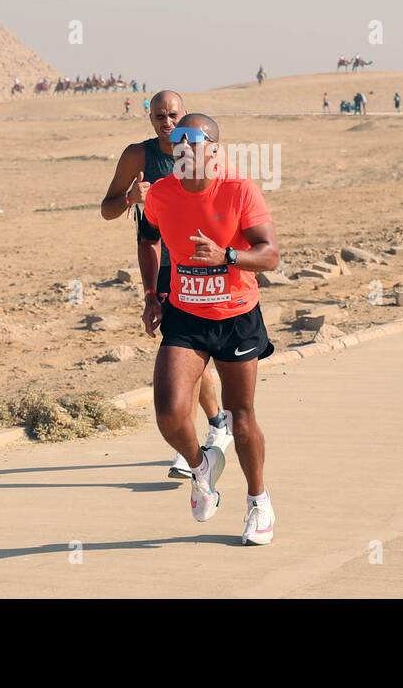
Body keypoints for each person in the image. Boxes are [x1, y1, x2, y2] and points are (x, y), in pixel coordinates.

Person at [138, 113, 279, 544]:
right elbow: (148, 238)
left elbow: (270, 255)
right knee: (168, 411)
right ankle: (202, 466)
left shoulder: (239, 190)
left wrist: (226, 257)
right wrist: (150, 294)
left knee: (241, 417)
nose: (183, 148)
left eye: (193, 141)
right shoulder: (161, 194)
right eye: (177, 141)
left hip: (236, 315)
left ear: (214, 150)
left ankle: (258, 501)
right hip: (185, 314)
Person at [100, 90, 231, 479]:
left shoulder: (203, 151)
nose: (167, 122)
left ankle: (209, 430)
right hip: (162, 263)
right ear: (150, 118)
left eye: (173, 115)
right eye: (159, 116)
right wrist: (129, 198)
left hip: (204, 264)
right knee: (181, 347)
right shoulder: (137, 156)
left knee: (192, 348)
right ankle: (211, 428)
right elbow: (108, 210)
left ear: (185, 115)